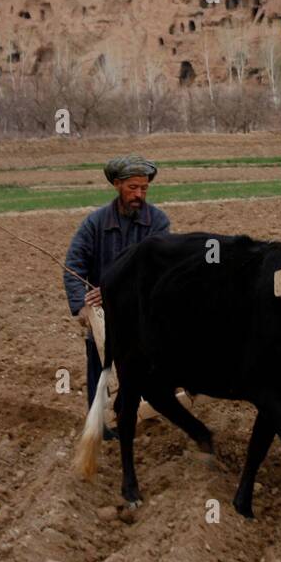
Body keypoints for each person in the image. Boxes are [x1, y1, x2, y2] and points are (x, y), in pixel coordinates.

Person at [63, 155, 171, 438]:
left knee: (147, 371)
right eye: (133, 188)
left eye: (144, 189)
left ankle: (147, 423)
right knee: (101, 375)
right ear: (117, 185)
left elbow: (157, 269)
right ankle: (102, 429)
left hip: (142, 313)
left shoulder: (157, 223)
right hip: (102, 317)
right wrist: (81, 307)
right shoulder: (95, 223)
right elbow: (73, 264)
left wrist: (114, 290)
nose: (139, 194)